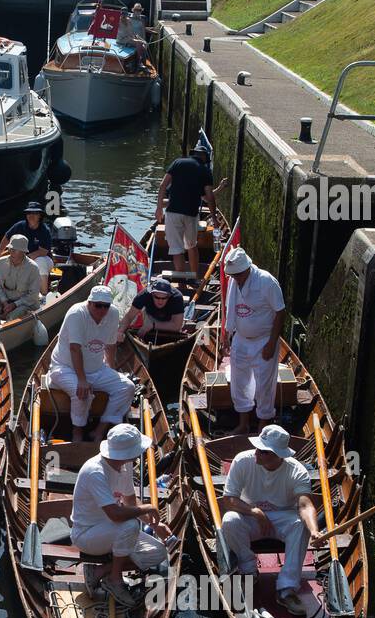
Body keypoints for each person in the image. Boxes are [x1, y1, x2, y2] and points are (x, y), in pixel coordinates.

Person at [218, 425, 321, 618]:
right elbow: (229, 500)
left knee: (300, 525)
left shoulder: (296, 471)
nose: (257, 453)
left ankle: (287, 588)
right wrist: (254, 511)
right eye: (258, 448)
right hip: (251, 517)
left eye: (264, 452)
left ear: (278, 456)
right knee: (230, 520)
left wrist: (314, 530)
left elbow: (305, 505)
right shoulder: (243, 461)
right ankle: (248, 568)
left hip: (283, 517)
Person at [70, 424, 173, 601]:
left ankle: (100, 571)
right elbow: (116, 515)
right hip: (87, 535)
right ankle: (115, 579)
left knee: (158, 553)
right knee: (130, 524)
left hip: (113, 530)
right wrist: (149, 508)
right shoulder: (95, 471)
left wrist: (155, 525)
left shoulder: (124, 465)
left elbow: (130, 501)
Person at [46, 284, 135, 442]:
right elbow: (75, 348)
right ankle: (77, 432)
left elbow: (111, 345)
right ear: (89, 303)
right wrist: (81, 379)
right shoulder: (76, 313)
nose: (102, 310)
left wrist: (111, 369)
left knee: (127, 387)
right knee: (82, 393)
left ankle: (99, 431)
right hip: (65, 368)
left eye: (105, 306)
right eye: (98, 305)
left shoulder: (113, 313)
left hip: (96, 369)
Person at [222, 247, 286, 435]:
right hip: (241, 339)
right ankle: (243, 424)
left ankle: (262, 427)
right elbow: (230, 309)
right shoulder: (234, 282)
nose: (236, 278)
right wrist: (227, 335)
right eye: (232, 275)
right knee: (239, 382)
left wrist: (272, 343)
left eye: (238, 274)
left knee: (265, 384)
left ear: (247, 268)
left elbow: (280, 312)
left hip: (264, 339)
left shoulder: (266, 282)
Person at [155, 140, 219, 278]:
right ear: (204, 157)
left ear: (194, 154)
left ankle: (182, 280)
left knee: (177, 249)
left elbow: (162, 185)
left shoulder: (177, 163)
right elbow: (210, 197)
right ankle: (194, 277)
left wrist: (159, 208)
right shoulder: (205, 171)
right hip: (191, 214)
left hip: (173, 213)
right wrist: (214, 218)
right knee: (191, 245)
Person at [0, 201, 55, 294]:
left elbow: (42, 252)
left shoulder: (44, 230)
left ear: (40, 216)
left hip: (43, 259)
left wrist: (25, 260)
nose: (31, 215)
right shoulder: (20, 226)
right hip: (23, 257)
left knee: (40, 263)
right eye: (29, 213)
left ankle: (44, 294)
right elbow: (7, 237)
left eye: (35, 213)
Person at [0, 233, 41, 325]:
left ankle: (4, 334)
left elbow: (33, 296)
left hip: (24, 304)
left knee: (14, 315)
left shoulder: (33, 268)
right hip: (5, 301)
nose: (11, 252)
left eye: (15, 250)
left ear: (23, 252)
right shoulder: (1, 263)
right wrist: (5, 303)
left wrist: (14, 305)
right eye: (10, 249)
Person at [118, 276, 185, 340]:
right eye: (157, 297)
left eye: (164, 298)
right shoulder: (144, 295)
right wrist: (120, 331)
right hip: (151, 319)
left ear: (169, 295)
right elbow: (129, 316)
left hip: (170, 325)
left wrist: (153, 325)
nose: (160, 301)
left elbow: (177, 326)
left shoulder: (177, 298)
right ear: (151, 294)